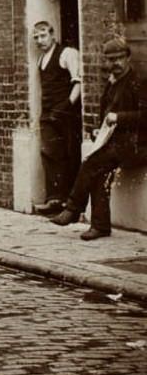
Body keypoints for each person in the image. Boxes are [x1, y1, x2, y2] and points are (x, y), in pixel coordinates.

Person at [51, 38, 145, 240]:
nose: (114, 64)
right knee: (98, 172)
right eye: (110, 60)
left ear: (128, 57)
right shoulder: (112, 83)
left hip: (139, 144)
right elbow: (105, 114)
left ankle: (74, 208)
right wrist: (98, 129)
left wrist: (119, 117)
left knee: (91, 162)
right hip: (118, 143)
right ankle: (100, 226)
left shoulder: (139, 81)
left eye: (118, 59)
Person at [31, 21, 83, 215]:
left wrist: (67, 105)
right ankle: (54, 198)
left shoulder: (67, 54)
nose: (39, 40)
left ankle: (68, 202)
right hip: (48, 113)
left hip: (64, 113)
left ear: (53, 34)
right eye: (36, 37)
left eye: (43, 35)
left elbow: (78, 81)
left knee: (67, 154)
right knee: (49, 153)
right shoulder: (41, 59)